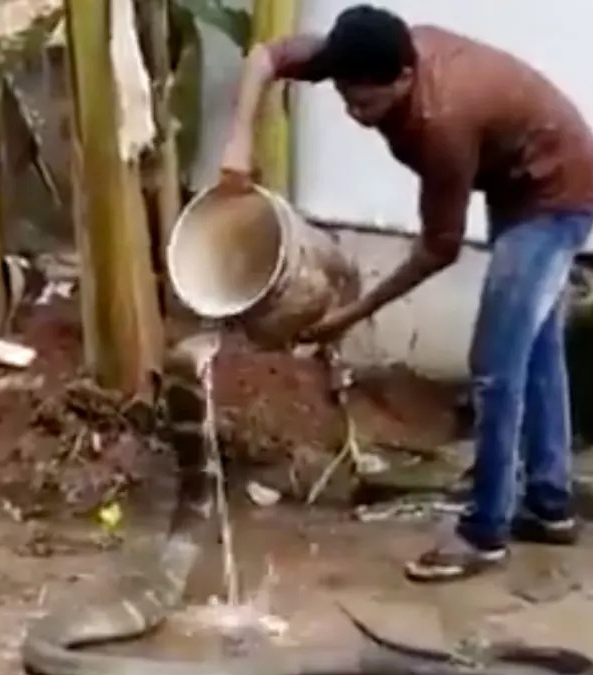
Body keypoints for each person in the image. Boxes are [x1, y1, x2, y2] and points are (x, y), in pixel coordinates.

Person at [218, 5, 593, 582]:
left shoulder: (442, 121)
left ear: (405, 79)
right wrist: (238, 143)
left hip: (556, 194)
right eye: (343, 96)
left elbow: (438, 248)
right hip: (517, 180)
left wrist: (350, 314)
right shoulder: (360, 51)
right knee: (535, 348)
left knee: (496, 365)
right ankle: (549, 504)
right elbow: (265, 57)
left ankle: (484, 534)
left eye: (366, 103)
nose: (354, 112)